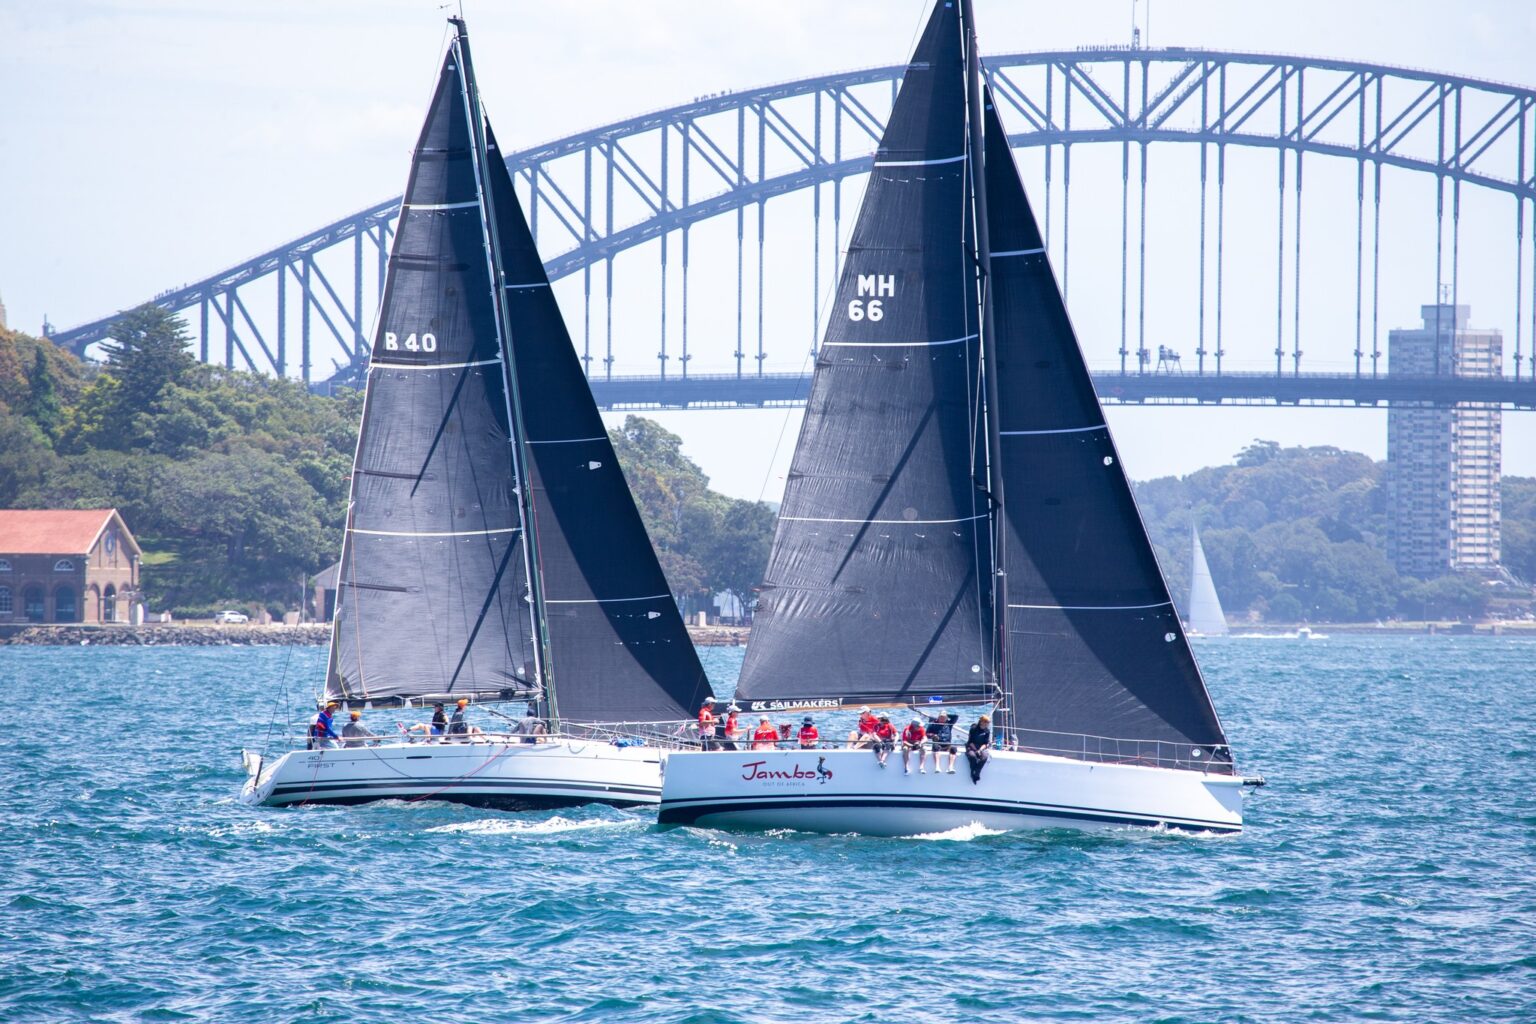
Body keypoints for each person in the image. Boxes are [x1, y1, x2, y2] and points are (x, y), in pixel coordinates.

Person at [921, 709, 959, 774]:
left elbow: (956, 716)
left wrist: (947, 715)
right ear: (938, 717)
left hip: (947, 744)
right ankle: (937, 767)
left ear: (946, 718)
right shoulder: (933, 724)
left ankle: (950, 767)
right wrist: (933, 735)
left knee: (954, 748)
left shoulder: (949, 723)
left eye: (944, 717)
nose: (942, 719)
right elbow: (926, 734)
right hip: (938, 744)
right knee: (935, 747)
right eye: (941, 717)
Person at [966, 715, 992, 784]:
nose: (987, 724)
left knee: (985, 757)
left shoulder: (987, 731)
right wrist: (975, 750)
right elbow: (970, 741)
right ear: (981, 722)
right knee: (972, 756)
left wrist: (980, 750)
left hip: (981, 747)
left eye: (988, 722)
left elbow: (986, 743)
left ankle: (976, 772)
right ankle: (973, 773)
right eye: (986, 722)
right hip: (972, 746)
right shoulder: (973, 729)